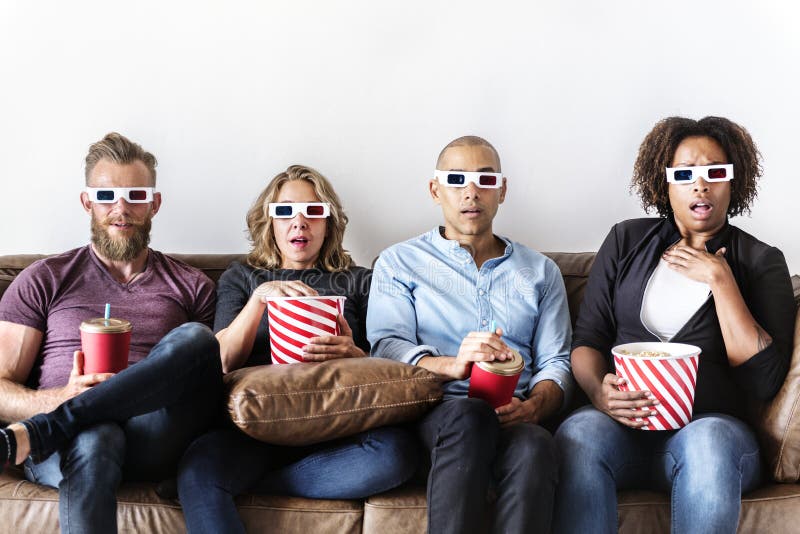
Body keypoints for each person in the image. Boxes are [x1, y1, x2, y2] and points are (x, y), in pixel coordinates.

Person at [553, 116, 796, 533]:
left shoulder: (760, 261)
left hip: (713, 431)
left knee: (709, 442)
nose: (700, 186)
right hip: (622, 431)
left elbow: (764, 382)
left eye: (714, 173)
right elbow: (589, 338)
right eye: (684, 175)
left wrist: (721, 281)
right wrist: (598, 393)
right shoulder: (626, 241)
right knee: (578, 434)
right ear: (663, 184)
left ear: (733, 181)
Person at [176, 164, 418, 534]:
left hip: (335, 427)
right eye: (285, 211)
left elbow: (388, 366)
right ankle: (266, 474)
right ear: (269, 221)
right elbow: (221, 360)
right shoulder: (242, 277)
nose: (299, 222)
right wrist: (259, 299)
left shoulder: (359, 281)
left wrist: (357, 357)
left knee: (397, 455)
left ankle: (270, 483)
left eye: (313, 211)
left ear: (329, 222)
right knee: (197, 472)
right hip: (252, 428)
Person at [0, 132, 222, 533]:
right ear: (87, 202)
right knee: (95, 437)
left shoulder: (192, 286)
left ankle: (52, 425)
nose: (121, 209)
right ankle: (64, 420)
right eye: (106, 196)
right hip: (69, 445)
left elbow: (207, 384)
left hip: (152, 436)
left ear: (154, 204)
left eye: (136, 196)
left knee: (197, 338)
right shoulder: (44, 279)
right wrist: (58, 398)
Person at [367, 136, 573, 534]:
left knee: (536, 444)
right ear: (435, 190)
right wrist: (453, 365)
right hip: (437, 413)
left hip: (513, 414)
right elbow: (387, 347)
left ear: (502, 190)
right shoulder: (399, 262)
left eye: (486, 180)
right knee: (469, 415)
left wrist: (534, 407)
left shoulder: (541, 271)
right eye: (456, 179)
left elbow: (556, 362)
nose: (472, 192)